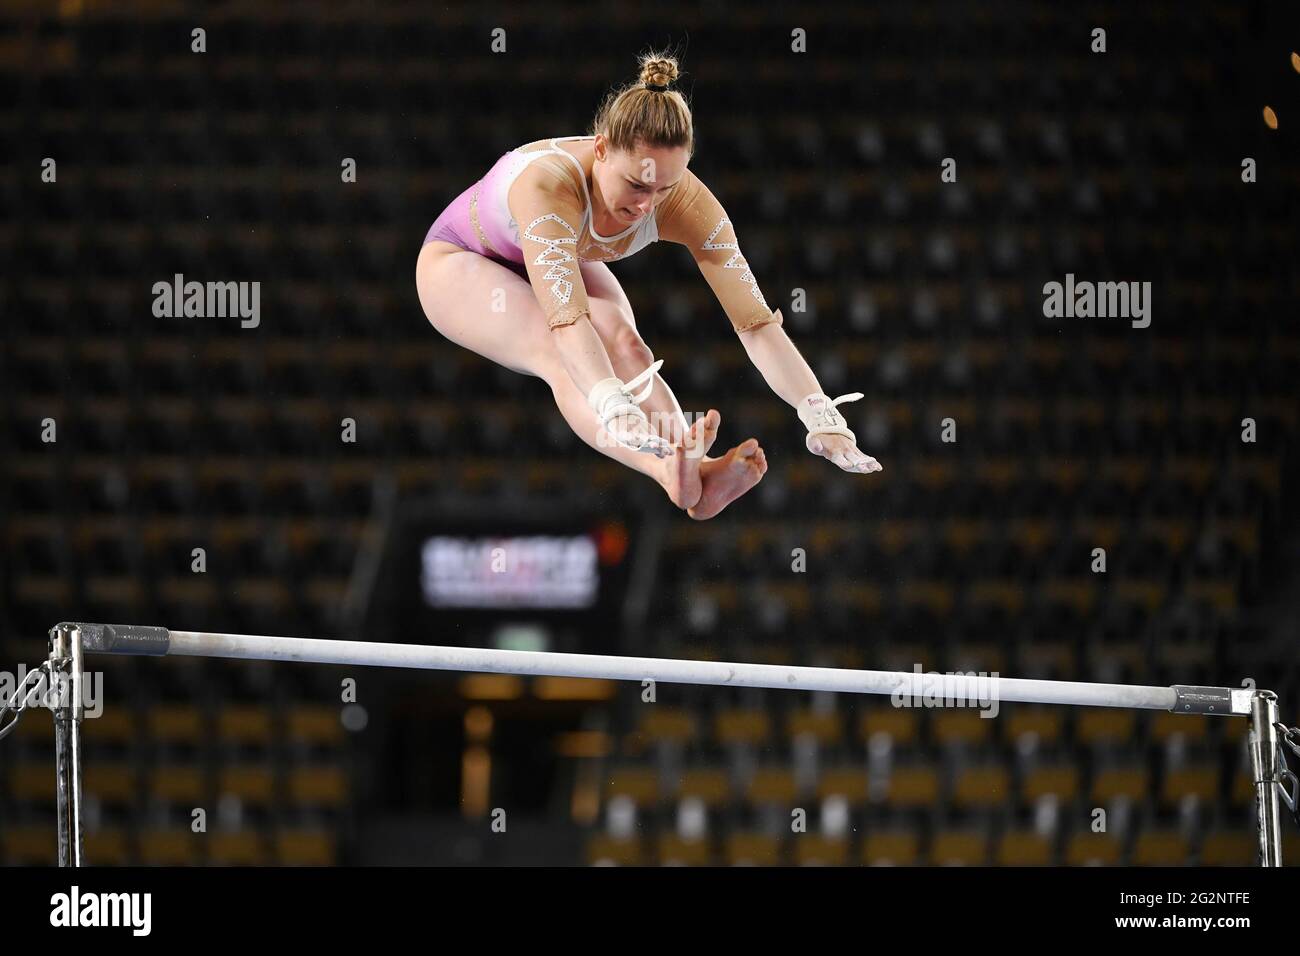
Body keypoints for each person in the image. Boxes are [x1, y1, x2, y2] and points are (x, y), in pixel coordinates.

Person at [415, 51, 881, 519]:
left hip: (554, 256)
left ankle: (689, 472)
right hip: (458, 261)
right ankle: (666, 473)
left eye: (664, 189)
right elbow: (567, 321)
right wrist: (611, 404)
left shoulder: (686, 203)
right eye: (638, 185)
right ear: (600, 150)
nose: (647, 206)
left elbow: (756, 324)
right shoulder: (548, 187)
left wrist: (819, 412)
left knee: (627, 343)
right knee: (560, 354)